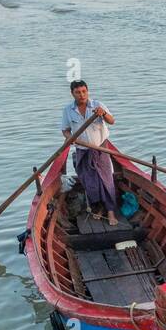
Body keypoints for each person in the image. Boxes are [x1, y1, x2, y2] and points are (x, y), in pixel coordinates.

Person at [60, 80, 119, 225]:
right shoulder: (68, 110)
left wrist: (103, 113)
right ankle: (98, 208)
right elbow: (65, 130)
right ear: (72, 93)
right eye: (78, 92)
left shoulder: (97, 105)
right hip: (82, 150)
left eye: (84, 92)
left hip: (100, 148)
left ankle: (111, 211)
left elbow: (112, 121)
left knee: (106, 180)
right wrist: (71, 138)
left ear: (88, 91)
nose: (81, 95)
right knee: (89, 181)